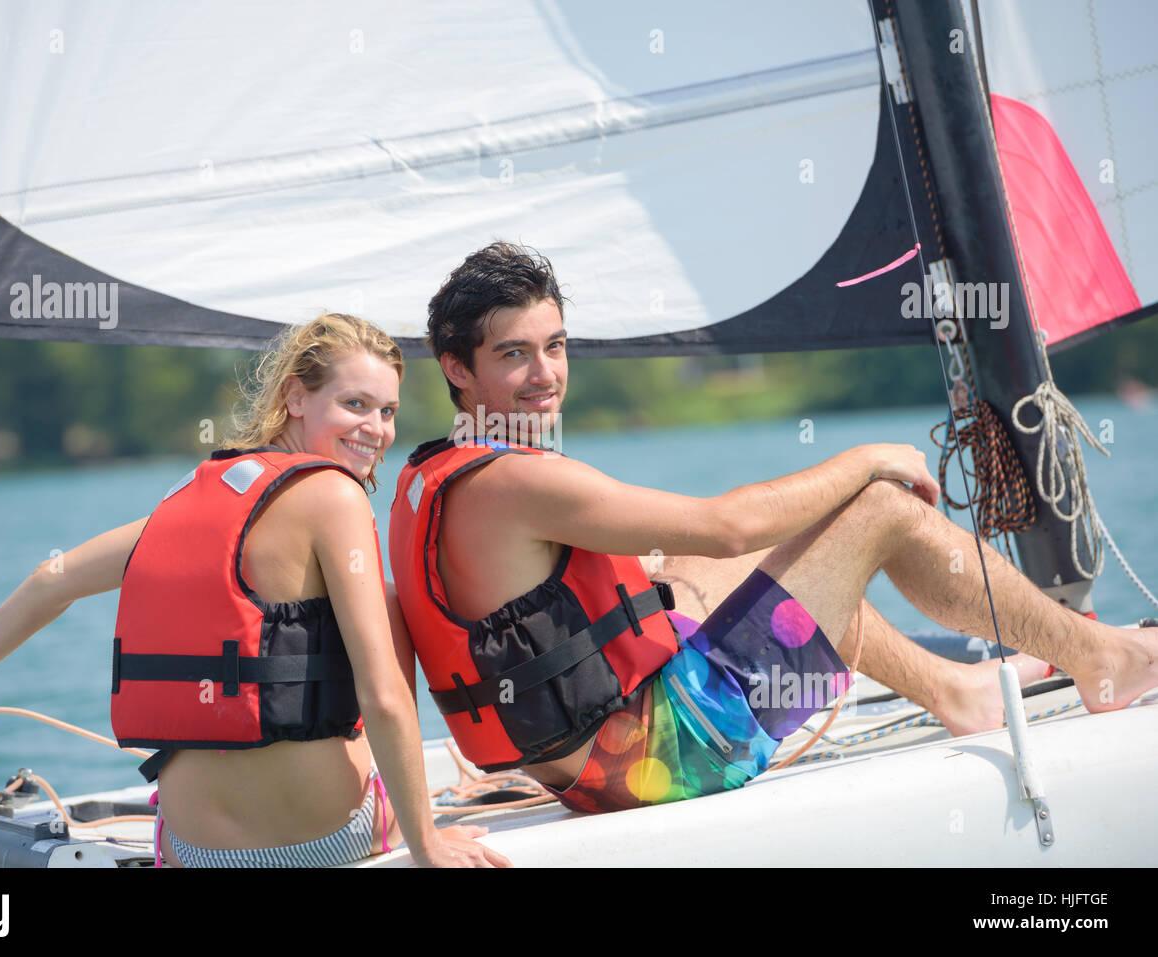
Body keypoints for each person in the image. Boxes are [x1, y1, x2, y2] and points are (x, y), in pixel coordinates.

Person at [388, 242, 1158, 814]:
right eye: (514, 354)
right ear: (457, 367)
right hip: (662, 758)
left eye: (555, 347)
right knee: (882, 508)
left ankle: (957, 691)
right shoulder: (522, 478)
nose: (546, 374)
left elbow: (721, 543)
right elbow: (724, 524)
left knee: (774, 558)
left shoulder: (432, 476)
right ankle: (1101, 659)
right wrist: (864, 460)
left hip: (584, 765)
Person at [0, 313, 510, 868]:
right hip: (326, 841)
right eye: (354, 404)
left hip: (191, 850)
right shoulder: (336, 494)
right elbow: (382, 694)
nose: (376, 429)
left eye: (387, 410)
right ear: (296, 396)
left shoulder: (194, 499)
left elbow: (50, 580)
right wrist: (425, 839)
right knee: (390, 601)